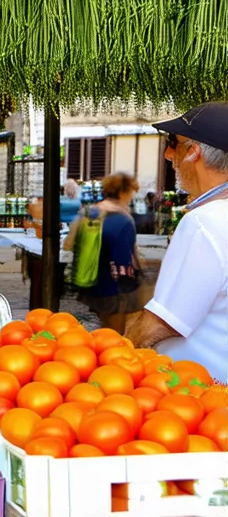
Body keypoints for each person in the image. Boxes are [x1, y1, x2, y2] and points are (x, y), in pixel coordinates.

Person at [124, 102, 228, 383]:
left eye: (173, 143)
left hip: (196, 394)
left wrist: (115, 355)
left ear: (194, 151)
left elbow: (163, 324)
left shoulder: (205, 222)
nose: (169, 154)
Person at [64, 173, 141, 333]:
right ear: (122, 193)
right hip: (113, 286)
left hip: (89, 280)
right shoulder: (124, 219)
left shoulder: (88, 212)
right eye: (131, 193)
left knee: (105, 325)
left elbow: (68, 244)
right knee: (115, 332)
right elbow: (125, 258)